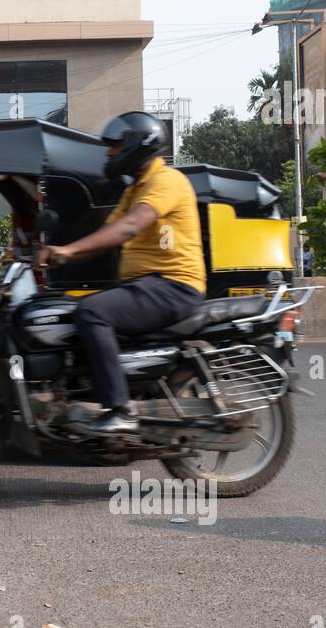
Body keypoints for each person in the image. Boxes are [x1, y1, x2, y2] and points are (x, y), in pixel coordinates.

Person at [36, 111, 206, 435]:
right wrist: (54, 258)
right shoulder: (133, 190)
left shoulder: (166, 181)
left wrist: (67, 251)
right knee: (69, 310)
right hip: (148, 286)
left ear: (136, 146)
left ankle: (120, 409)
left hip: (174, 285)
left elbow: (128, 228)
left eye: (114, 147)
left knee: (92, 313)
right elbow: (105, 239)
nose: (109, 153)